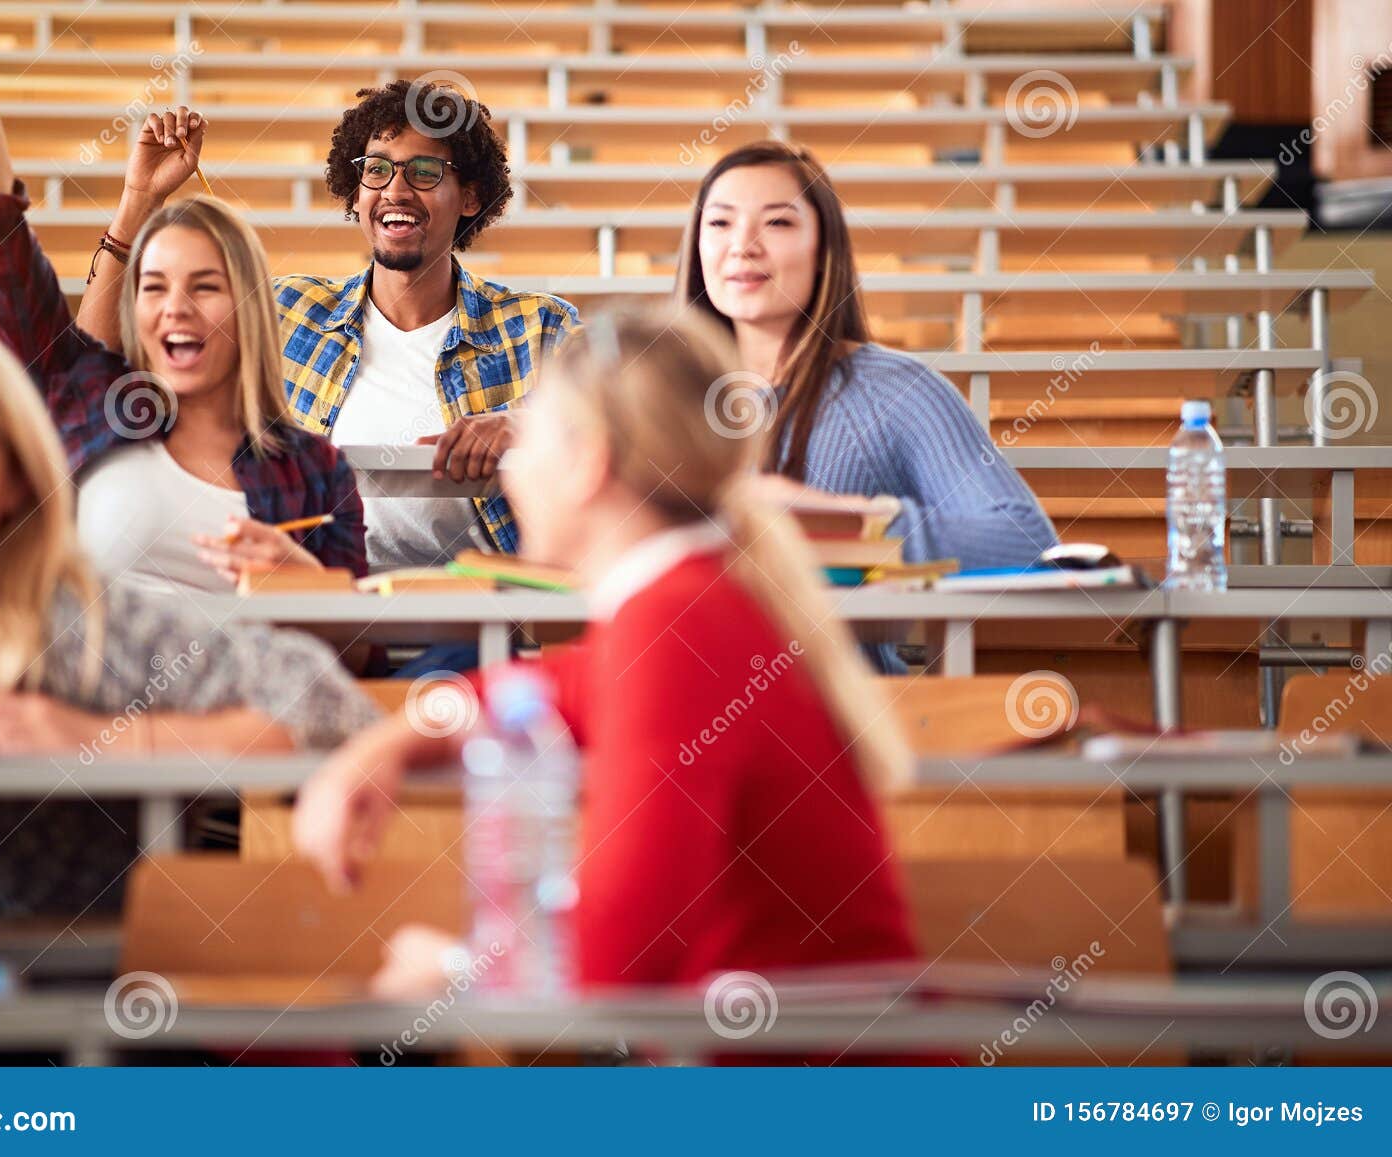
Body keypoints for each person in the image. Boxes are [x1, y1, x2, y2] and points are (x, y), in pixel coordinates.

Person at [291, 307, 919, 1002]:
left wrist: (450, 973)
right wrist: (395, 738)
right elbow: (557, 684)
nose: (511, 468)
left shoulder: (676, 623)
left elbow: (617, 969)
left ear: (588, 462)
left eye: (528, 441)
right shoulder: (687, 597)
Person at [0, 325, 381, 914]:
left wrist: (94, 739)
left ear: (13, 481)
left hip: (76, 974)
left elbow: (322, 702)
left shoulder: (83, 617)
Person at [0, 0, 366, 596]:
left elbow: (360, 645)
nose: (175, 307)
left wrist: (308, 580)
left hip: (250, 684)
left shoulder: (315, 468)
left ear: (248, 310)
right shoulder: (87, 394)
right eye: (154, 287)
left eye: (205, 286)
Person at [75, 82, 579, 572]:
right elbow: (90, 368)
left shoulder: (539, 326)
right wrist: (139, 198)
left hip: (487, 627)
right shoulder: (286, 311)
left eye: (424, 171)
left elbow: (631, 435)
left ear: (470, 197)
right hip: (313, 611)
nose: (395, 190)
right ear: (356, 193)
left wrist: (529, 427)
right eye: (376, 170)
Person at [677, 141, 1059, 671]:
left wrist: (846, 520)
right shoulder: (662, 396)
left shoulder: (895, 390)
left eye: (778, 224)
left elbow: (1024, 544)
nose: (743, 246)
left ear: (824, 248)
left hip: (838, 722)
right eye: (719, 224)